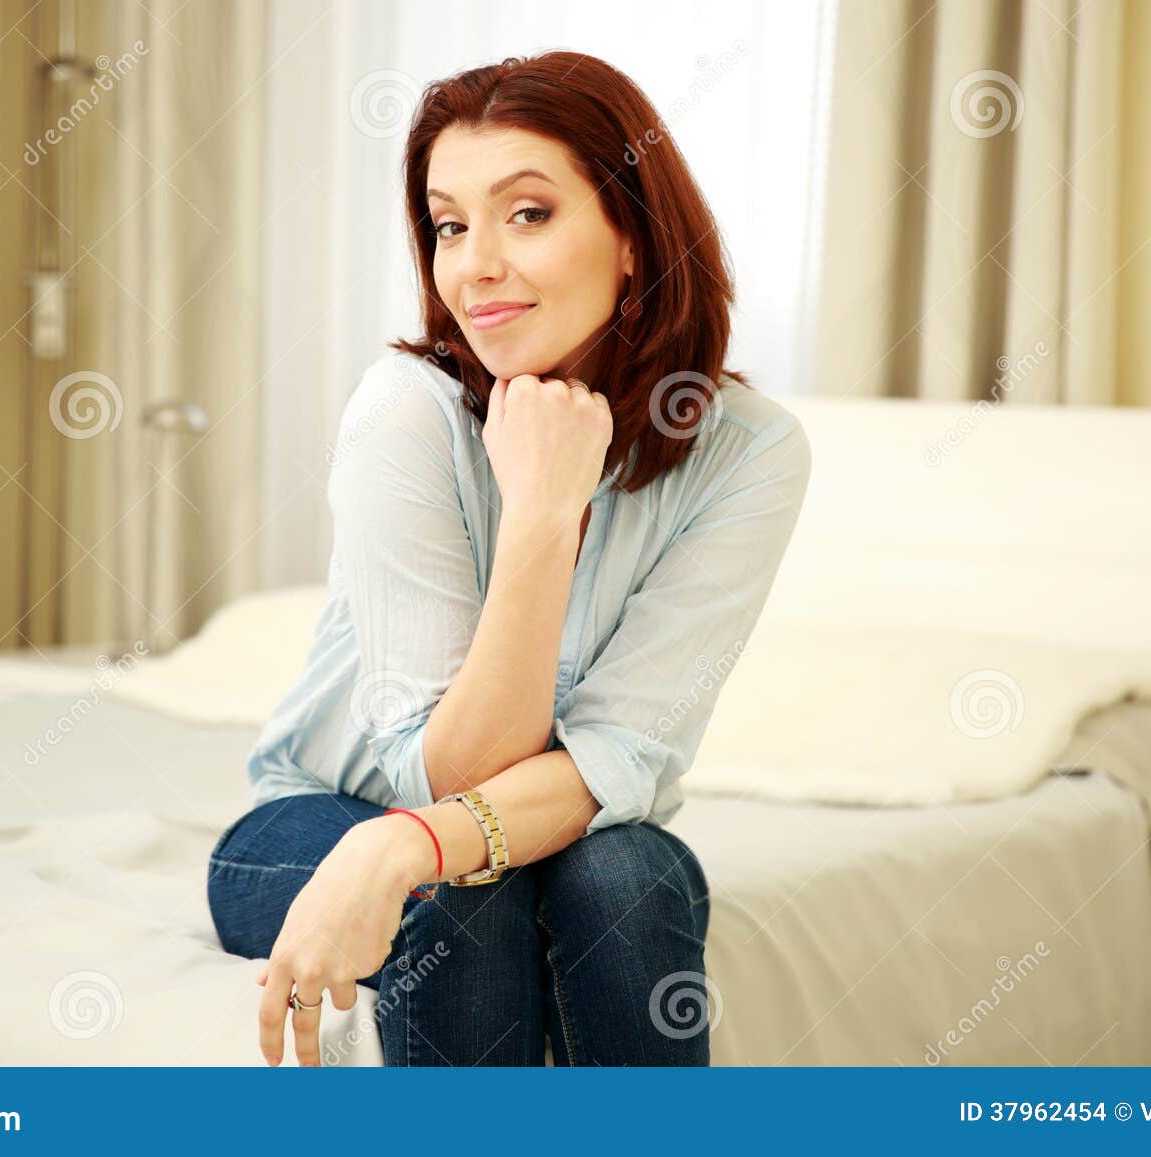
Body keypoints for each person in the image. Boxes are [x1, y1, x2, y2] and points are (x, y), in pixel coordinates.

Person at [207, 50, 810, 1067]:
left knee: (629, 873)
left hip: (536, 838)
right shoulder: (405, 413)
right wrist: (540, 514)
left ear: (632, 237)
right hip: (312, 819)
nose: (473, 264)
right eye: (449, 224)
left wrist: (404, 842)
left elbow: (619, 757)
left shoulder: (749, 453)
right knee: (464, 890)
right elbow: (445, 773)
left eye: (526, 214)